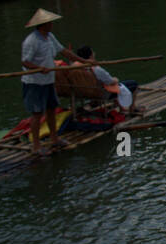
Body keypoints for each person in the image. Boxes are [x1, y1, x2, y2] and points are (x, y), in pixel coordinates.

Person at [19, 8, 88, 155]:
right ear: (43, 24)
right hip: (34, 82)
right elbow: (25, 62)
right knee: (37, 114)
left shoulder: (50, 37)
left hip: (49, 81)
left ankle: (54, 139)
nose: (52, 24)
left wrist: (84, 61)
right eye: (49, 22)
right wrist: (39, 68)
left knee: (51, 109)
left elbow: (63, 51)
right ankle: (36, 146)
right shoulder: (31, 41)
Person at [76, 45, 139, 113]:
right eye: (93, 52)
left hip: (89, 92)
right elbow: (110, 82)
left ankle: (122, 108)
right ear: (90, 55)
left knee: (110, 85)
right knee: (134, 84)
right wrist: (115, 79)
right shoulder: (96, 69)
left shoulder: (78, 68)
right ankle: (132, 108)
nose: (94, 53)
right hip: (103, 93)